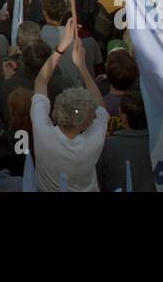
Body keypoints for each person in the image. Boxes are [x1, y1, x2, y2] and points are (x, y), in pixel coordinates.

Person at [31, 19, 109, 191]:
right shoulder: (93, 142)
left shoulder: (42, 133)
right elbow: (102, 108)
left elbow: (41, 81)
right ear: (83, 123)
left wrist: (62, 45)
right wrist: (82, 67)